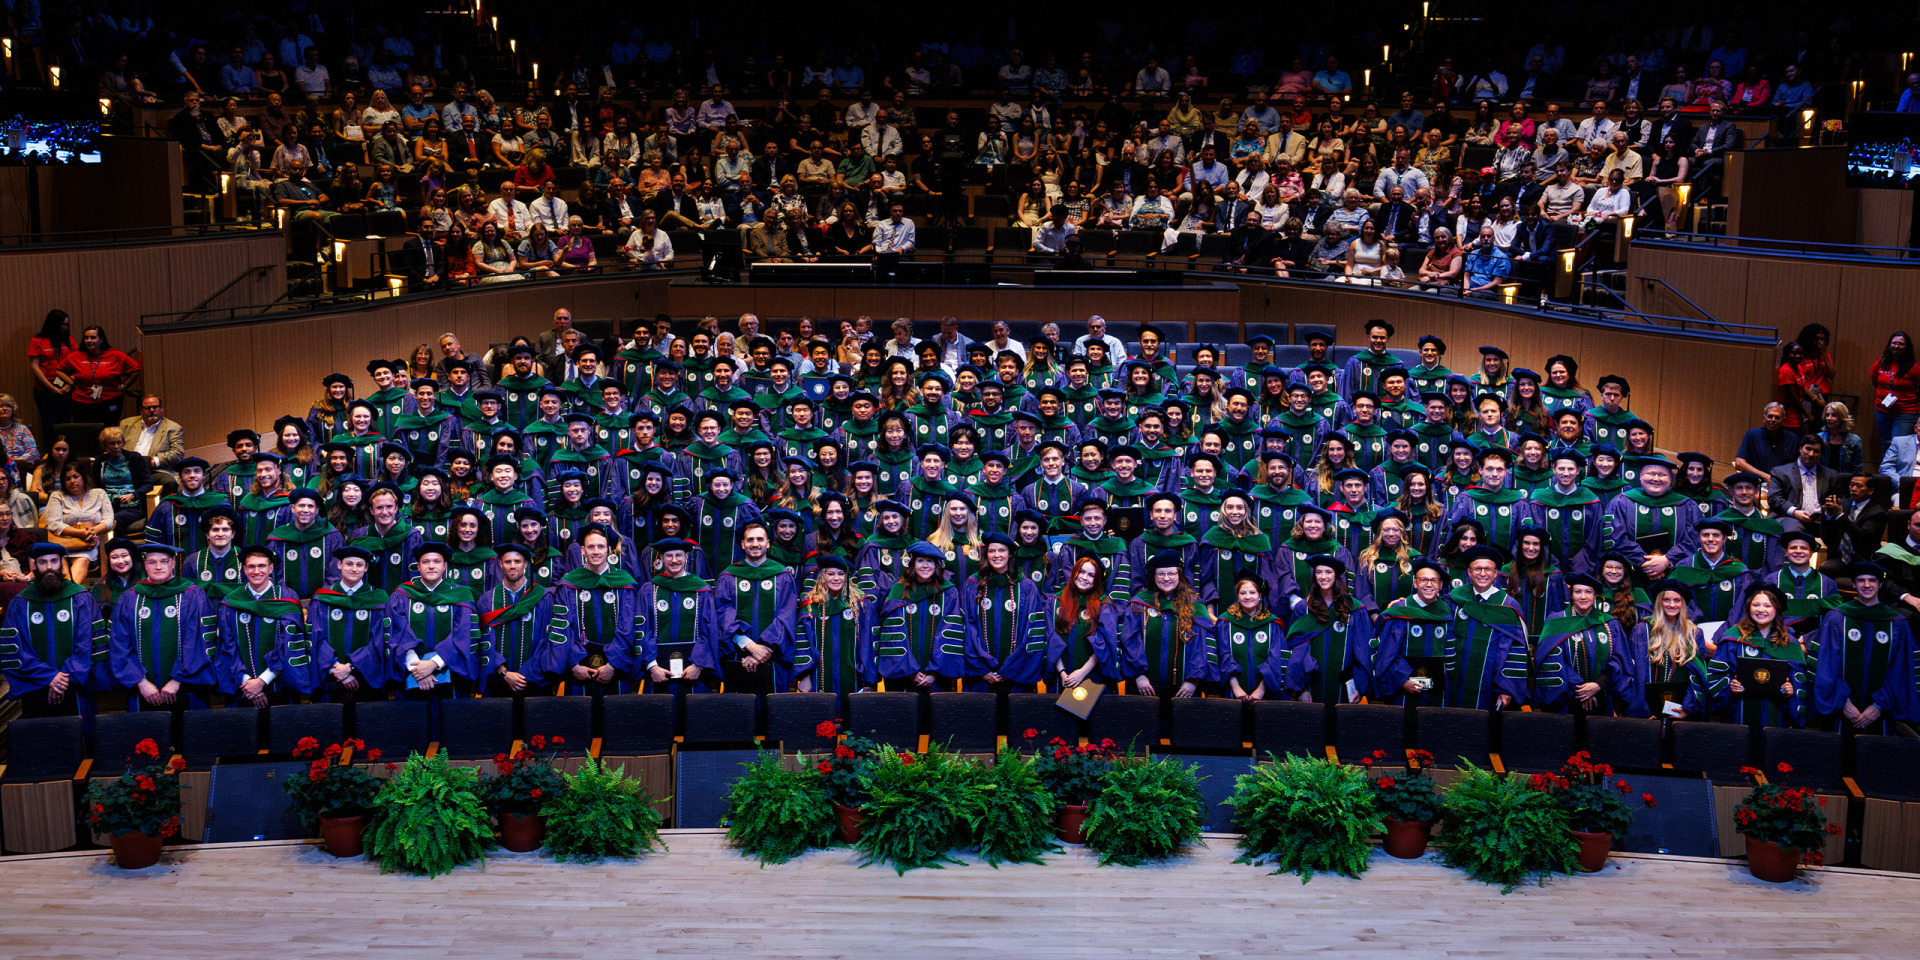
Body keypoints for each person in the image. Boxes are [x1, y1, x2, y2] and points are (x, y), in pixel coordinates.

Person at [1811, 562, 1919, 733]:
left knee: (1876, 756)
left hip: (1882, 712)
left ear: (1880, 584)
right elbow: (1826, 664)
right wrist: (1844, 702)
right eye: (1861, 580)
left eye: (1872, 580)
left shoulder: (1897, 622)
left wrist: (1879, 705)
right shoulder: (1837, 617)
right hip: (1841, 710)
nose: (1867, 585)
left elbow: (1902, 670)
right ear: (1853, 584)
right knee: (1838, 756)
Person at [1, 543, 101, 718]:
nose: (49, 567)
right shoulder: (21, 602)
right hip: (35, 684)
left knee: (79, 739)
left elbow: (87, 643)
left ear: (61, 564)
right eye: (43, 562)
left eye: (54, 561)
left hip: (74, 684)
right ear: (34, 566)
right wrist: (48, 677)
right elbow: (15, 648)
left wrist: (63, 680)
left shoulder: (80, 597)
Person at [1692, 585, 1807, 728]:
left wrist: (1791, 690)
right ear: (1748, 608)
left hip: (1776, 716)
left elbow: (1799, 680)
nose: (1761, 610)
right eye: (1756, 605)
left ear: (1776, 610)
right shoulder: (1733, 638)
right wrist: (1730, 687)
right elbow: (1717, 674)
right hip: (1739, 714)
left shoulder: (1789, 643)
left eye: (1767, 605)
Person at [216, 545, 310, 705]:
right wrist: (247, 682)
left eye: (262, 566)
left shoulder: (286, 597)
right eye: (251, 566)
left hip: (280, 687)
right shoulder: (231, 602)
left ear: (271, 567)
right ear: (244, 569)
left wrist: (262, 681)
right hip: (241, 688)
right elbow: (227, 646)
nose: (256, 571)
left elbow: (288, 645)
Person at [714, 519, 797, 691]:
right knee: (740, 711)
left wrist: (764, 650)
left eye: (760, 539)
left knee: (773, 711)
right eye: (750, 540)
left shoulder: (782, 575)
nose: (755, 544)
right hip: (738, 655)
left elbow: (787, 615)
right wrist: (749, 646)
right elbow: (722, 613)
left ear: (768, 543)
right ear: (743, 544)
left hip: (773, 656)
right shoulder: (729, 576)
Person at [308, 544, 397, 699]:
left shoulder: (378, 600)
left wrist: (351, 667)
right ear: (339, 565)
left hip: (366, 678)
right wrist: (335, 669)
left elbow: (379, 640)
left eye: (359, 565)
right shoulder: (322, 599)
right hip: (330, 678)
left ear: (366, 568)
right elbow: (315, 638)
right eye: (349, 564)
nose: (354, 569)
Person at [793, 553, 878, 697]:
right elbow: (803, 643)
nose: (836, 578)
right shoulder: (810, 606)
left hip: (854, 676)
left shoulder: (861, 604)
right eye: (830, 574)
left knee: (853, 715)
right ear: (822, 576)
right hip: (817, 676)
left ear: (847, 577)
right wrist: (805, 677)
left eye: (841, 574)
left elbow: (869, 643)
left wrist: (868, 679)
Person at [53, 326, 141, 425]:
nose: (89, 340)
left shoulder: (115, 355)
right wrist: (71, 382)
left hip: (109, 400)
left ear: (101, 339)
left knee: (108, 433)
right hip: (82, 402)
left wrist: (124, 386)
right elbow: (59, 370)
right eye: (86, 338)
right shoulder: (76, 356)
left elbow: (136, 369)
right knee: (86, 434)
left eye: (93, 337)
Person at [42, 461, 113, 582]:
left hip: (88, 544)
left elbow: (109, 520)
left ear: (83, 477)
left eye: (76, 476)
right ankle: (68, 595)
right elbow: (54, 523)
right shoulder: (57, 496)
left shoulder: (99, 494)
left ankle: (68, 595)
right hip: (63, 543)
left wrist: (93, 531)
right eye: (68, 478)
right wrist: (80, 533)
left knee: (83, 559)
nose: (72, 481)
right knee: (62, 570)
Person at [1768, 434, 1840, 535]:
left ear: (1821, 454)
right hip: (1791, 517)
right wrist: (1795, 512)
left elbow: (1836, 500)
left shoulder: (1831, 475)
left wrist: (1829, 508)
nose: (1811, 454)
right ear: (1800, 449)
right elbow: (1774, 498)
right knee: (1794, 532)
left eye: (1816, 451)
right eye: (1808, 449)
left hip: (1821, 520)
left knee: (1840, 529)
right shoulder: (1781, 472)